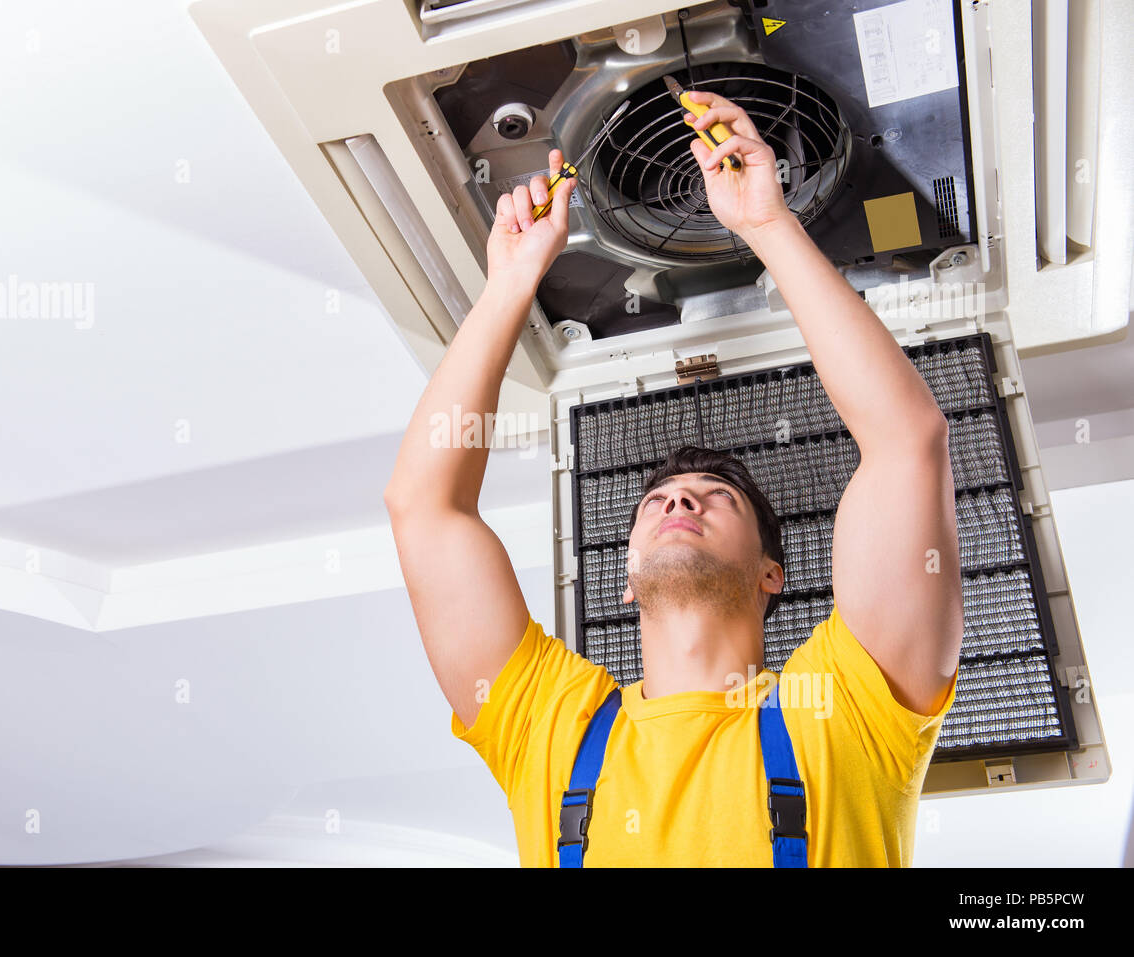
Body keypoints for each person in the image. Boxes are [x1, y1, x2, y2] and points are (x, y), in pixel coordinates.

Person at [383, 91, 962, 866]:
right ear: (625, 579)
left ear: (771, 573)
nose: (681, 498)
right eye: (657, 502)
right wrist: (507, 285)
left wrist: (768, 224)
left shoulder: (848, 708)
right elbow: (421, 506)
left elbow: (907, 442)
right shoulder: (555, 727)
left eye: (715, 498)